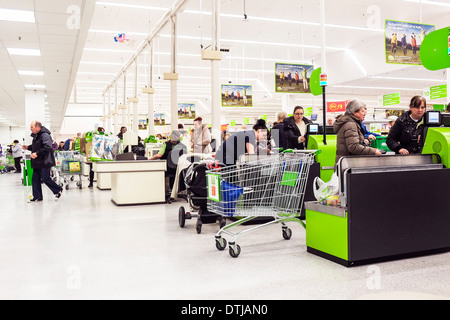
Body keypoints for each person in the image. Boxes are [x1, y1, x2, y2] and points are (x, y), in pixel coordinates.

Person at [22, 121, 63, 202]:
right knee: (35, 179)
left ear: (38, 127)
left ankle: (58, 190)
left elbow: (48, 147)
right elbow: (36, 146)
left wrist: (37, 153)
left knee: (45, 178)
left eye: (32, 127)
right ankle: (37, 196)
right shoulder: (37, 135)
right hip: (38, 161)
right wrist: (27, 147)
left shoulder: (45, 135)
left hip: (45, 161)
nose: (30, 129)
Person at [333, 99, 382, 165]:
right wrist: (373, 151)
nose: (365, 113)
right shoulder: (350, 124)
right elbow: (353, 147)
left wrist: (363, 140)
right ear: (355, 113)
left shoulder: (350, 123)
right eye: (362, 111)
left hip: (345, 163)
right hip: (348, 164)